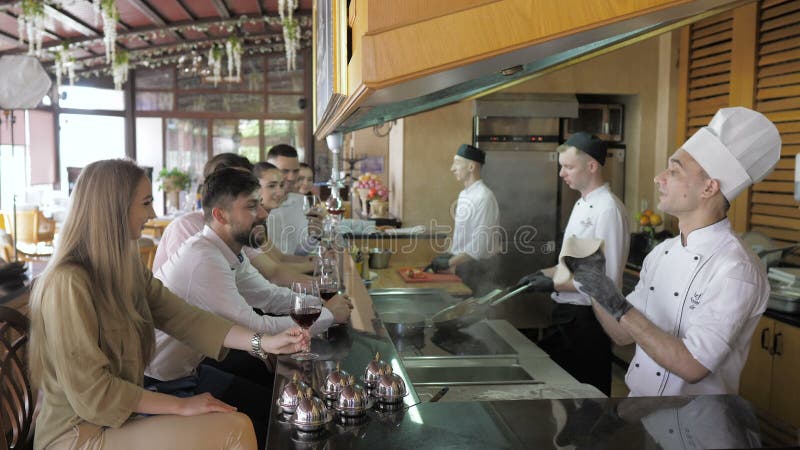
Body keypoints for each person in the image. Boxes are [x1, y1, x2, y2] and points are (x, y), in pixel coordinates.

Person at [28, 159, 307, 450]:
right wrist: (181, 406)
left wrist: (263, 342)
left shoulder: (124, 268)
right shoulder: (67, 283)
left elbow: (182, 317)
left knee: (238, 419)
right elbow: (95, 393)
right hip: (77, 433)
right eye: (146, 202)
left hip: (116, 419)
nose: (153, 212)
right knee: (235, 428)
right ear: (114, 207)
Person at [564, 107, 781, 396]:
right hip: (641, 414)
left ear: (709, 188)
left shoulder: (736, 268)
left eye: (674, 170)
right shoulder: (662, 252)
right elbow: (622, 334)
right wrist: (593, 284)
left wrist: (615, 302)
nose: (658, 178)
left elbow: (693, 365)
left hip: (696, 430)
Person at [146, 168, 351, 423]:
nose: (264, 214)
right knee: (277, 413)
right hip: (162, 387)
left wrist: (320, 303)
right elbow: (257, 327)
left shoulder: (227, 250)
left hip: (191, 372)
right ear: (221, 215)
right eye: (252, 206)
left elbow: (268, 296)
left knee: (279, 399)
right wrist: (330, 315)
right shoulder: (203, 258)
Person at [517, 132, 629, 396]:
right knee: (560, 393)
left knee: (589, 398)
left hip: (589, 321)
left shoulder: (608, 209)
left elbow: (604, 281)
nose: (561, 174)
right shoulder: (582, 203)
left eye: (568, 167)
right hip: (566, 317)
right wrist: (542, 274)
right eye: (561, 167)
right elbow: (574, 264)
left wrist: (553, 283)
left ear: (591, 166)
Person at [152, 153, 314, 284]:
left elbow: (271, 274)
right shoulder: (185, 226)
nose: (246, 187)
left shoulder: (240, 225)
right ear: (214, 185)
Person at [427, 144, 501, 296]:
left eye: (457, 163)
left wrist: (448, 263)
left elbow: (478, 246)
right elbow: (461, 235)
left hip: (478, 269)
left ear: (472, 166)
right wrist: (447, 254)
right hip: (462, 265)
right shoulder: (464, 195)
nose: (452, 168)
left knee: (473, 314)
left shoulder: (484, 197)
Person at [266, 144, 318, 255]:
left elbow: (299, 253)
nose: (291, 177)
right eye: (285, 171)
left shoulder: (302, 201)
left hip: (296, 268)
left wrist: (314, 236)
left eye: (295, 171)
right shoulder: (259, 208)